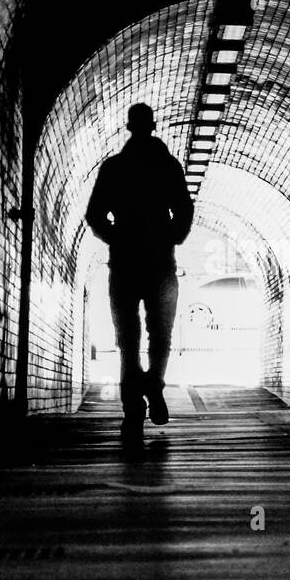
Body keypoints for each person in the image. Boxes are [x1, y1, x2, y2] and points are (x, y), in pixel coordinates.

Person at [85, 104, 194, 441]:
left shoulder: (114, 168)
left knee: (128, 342)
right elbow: (185, 208)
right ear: (153, 126)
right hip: (161, 264)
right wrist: (171, 237)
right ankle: (154, 387)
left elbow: (94, 215)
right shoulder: (168, 166)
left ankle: (132, 411)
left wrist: (116, 238)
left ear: (129, 127)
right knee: (160, 336)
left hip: (124, 266)